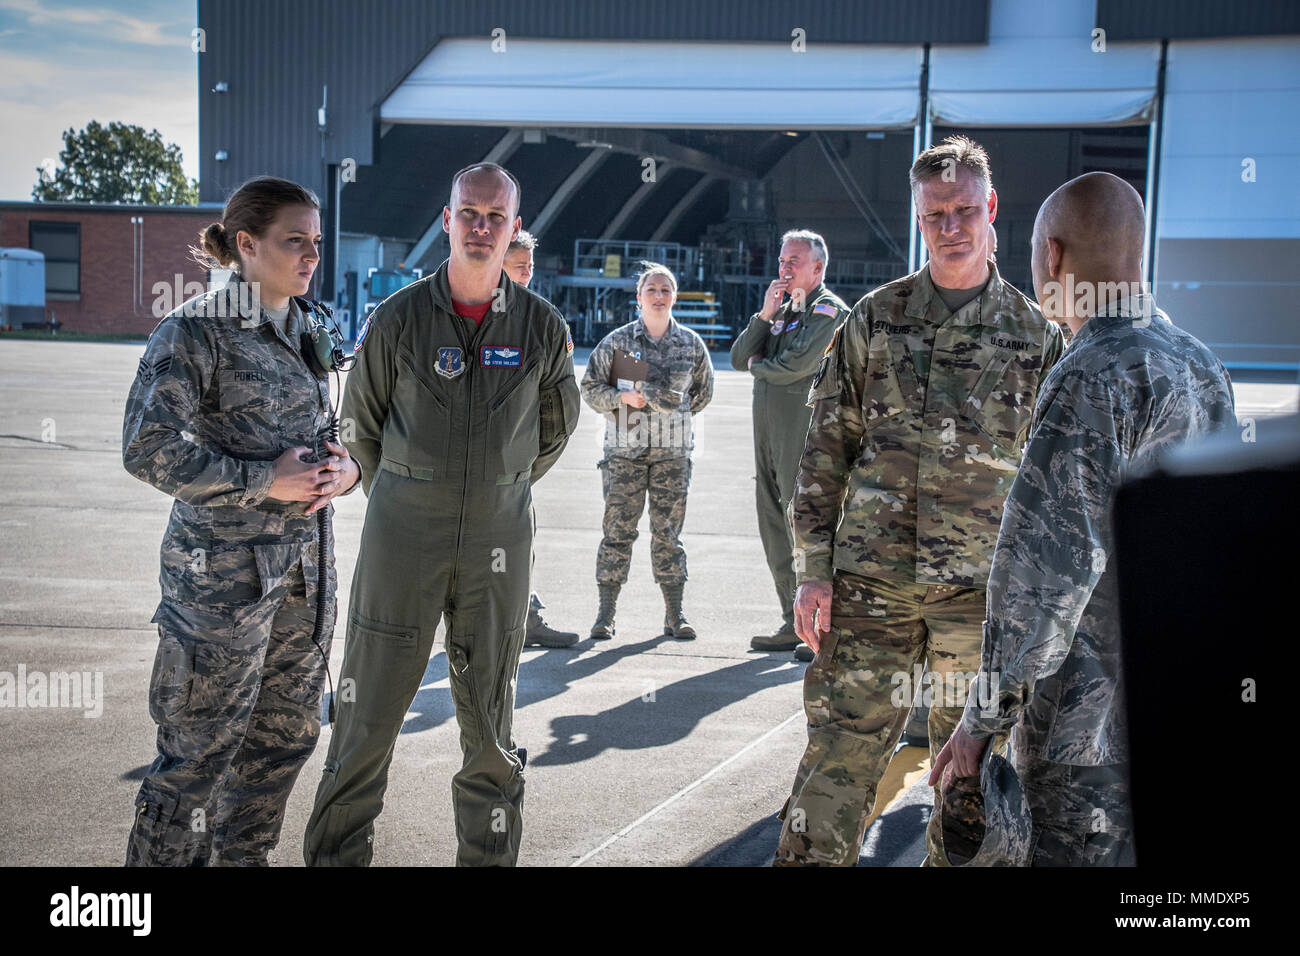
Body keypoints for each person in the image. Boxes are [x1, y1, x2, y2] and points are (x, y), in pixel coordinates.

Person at [772, 135, 1067, 867]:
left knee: (973, 790)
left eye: (965, 209)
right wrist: (812, 569)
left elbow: (1056, 492)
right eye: (935, 214)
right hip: (872, 589)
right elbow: (824, 455)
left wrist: (1042, 612)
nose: (951, 226)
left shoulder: (1037, 339)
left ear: (991, 207)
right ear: (917, 215)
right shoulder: (873, 320)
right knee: (835, 768)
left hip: (982, 600)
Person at [929, 172, 1236, 866]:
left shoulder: (1091, 374)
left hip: (1081, 738)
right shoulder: (1201, 364)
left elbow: (1044, 578)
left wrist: (980, 725)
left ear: (1055, 256)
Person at [302, 163, 580, 867]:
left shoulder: (542, 328)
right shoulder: (396, 320)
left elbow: (553, 428)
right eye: (468, 213)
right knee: (364, 724)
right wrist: (420, 489)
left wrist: (492, 486)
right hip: (402, 535)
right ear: (448, 218)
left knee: (490, 728)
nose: (481, 227)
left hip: (499, 539)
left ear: (515, 228)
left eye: (496, 216)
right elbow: (359, 429)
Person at [122, 175, 360, 866]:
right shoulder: (195, 329)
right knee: (195, 768)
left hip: (302, 588)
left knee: (277, 755)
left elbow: (326, 434)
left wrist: (346, 471)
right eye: (295, 241)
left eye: (316, 242)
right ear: (246, 245)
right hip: (219, 596)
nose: (312, 255)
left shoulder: (310, 325)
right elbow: (147, 449)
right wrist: (266, 481)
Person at [729, 230, 848, 661]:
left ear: (817, 268)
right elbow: (740, 357)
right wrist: (764, 314)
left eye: (793, 261)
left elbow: (795, 366)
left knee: (805, 525)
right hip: (767, 433)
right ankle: (790, 619)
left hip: (803, 435)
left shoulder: (827, 312)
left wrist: (762, 365)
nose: (784, 269)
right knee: (772, 521)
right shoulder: (783, 310)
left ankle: (823, 628)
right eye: (782, 261)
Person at [580, 262, 714, 641]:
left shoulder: (690, 344)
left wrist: (668, 418)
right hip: (625, 451)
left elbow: (702, 394)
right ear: (639, 298)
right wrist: (619, 397)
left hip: (673, 453)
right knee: (617, 532)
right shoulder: (617, 342)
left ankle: (675, 614)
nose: (658, 296)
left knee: (668, 534)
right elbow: (589, 387)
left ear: (674, 297)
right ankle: (605, 614)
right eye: (651, 290)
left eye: (665, 290)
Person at [502, 229, 580, 649]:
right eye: (520, 266)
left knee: (520, 542)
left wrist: (529, 467)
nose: (527, 272)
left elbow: (560, 409)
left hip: (515, 462)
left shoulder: (541, 318)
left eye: (530, 266)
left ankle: (525, 619)